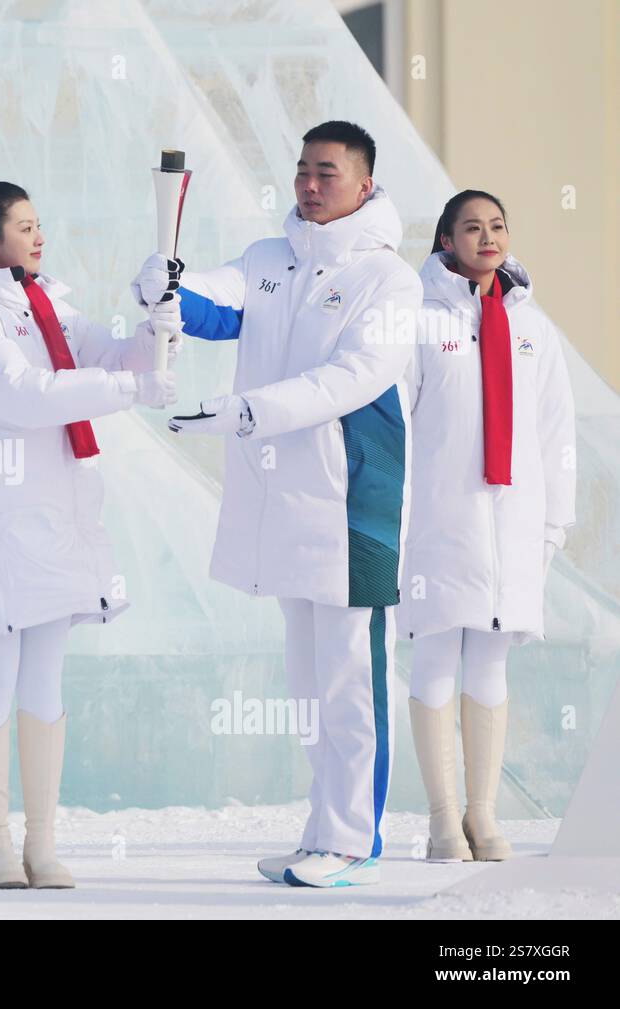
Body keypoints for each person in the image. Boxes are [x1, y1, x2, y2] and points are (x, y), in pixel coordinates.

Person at [141, 121, 422, 887]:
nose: (308, 183)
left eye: (326, 173)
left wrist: (246, 410)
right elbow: (217, 303)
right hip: (281, 501)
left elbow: (353, 378)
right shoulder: (271, 258)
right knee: (308, 682)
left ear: (365, 185)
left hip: (348, 505)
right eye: (302, 169)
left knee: (349, 679)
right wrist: (164, 287)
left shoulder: (390, 280)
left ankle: (354, 837)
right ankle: (320, 830)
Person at [0, 182, 178, 888]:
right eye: (25, 226)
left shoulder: (46, 301)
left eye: (41, 223)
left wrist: (156, 323)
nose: (39, 236)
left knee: (45, 679)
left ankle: (43, 842)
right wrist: (131, 390)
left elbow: (113, 356)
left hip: (58, 517)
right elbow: (27, 395)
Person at [402, 190, 576, 862]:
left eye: (497, 225)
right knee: (438, 653)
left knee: (492, 663)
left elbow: (557, 431)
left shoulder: (534, 327)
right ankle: (443, 818)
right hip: (441, 521)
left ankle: (484, 814)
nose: (487, 236)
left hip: (513, 524)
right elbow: (402, 424)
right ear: (446, 240)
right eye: (471, 227)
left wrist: (553, 524)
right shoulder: (419, 320)